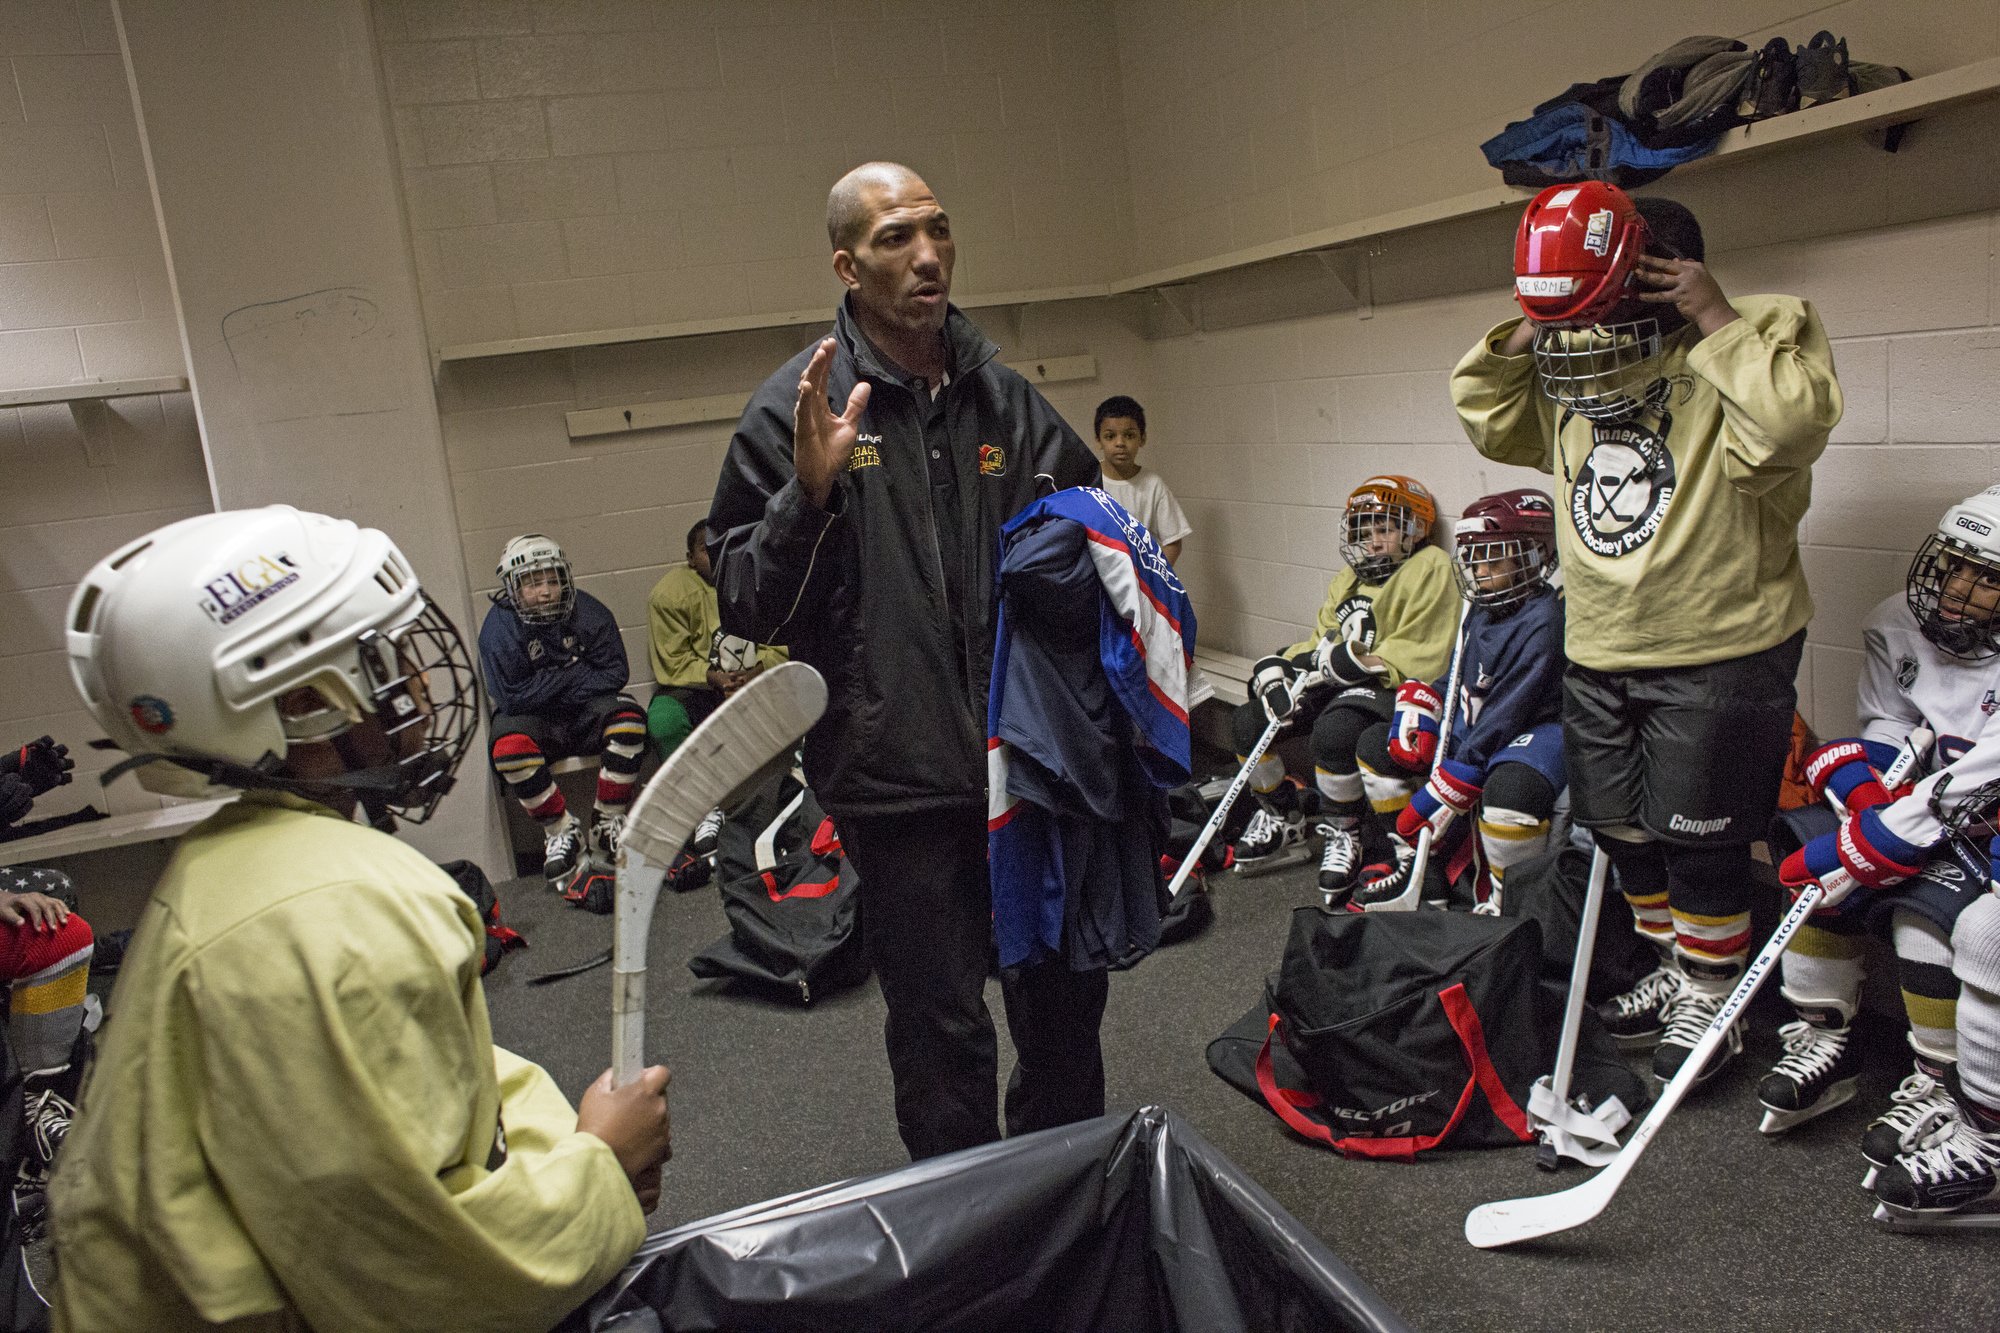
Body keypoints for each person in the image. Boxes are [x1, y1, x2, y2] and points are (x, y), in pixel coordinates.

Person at [50, 505, 672, 1333]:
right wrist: (599, 1167)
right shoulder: (342, 906)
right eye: (387, 661)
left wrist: (571, 1138)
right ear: (310, 701)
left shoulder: (227, 861)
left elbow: (431, 1085)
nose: (419, 685)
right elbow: (426, 1280)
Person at [705, 161, 1102, 1161]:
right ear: (846, 263)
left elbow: (1096, 550)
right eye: (894, 239)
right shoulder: (793, 408)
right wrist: (808, 498)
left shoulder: (1005, 405)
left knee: (1059, 1012)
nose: (926, 254)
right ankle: (965, 1241)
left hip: (1029, 773)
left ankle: (1067, 1212)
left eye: (936, 229)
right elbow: (749, 601)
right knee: (939, 1033)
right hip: (898, 779)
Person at [1451, 181, 1841, 1085]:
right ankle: (1680, 967)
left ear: (1668, 281)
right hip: (1602, 645)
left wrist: (1710, 315)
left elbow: (1791, 420)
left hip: (1717, 646)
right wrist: (1545, 314)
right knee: (1623, 828)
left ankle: (1716, 992)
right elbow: (1485, 408)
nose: (1591, 336)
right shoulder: (1581, 364)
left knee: (1701, 839)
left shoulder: (1750, 342)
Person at [1768, 488, 2000, 1167]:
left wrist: (1881, 838)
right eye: (1955, 564)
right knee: (1818, 861)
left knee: (1927, 911)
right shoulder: (1899, 621)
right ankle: (1823, 1037)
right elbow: (1894, 723)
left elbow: (1982, 775)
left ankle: (1938, 1078)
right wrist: (1865, 791)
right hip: (1924, 806)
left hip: (1983, 825)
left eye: (1986, 577)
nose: (1958, 587)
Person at [1224, 475, 1459, 885]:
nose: (1372, 541)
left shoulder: (1431, 565)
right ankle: (1283, 815)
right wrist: (1282, 666)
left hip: (1394, 687)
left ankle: (1345, 832)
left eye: (1384, 529)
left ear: (1415, 530)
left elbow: (1427, 647)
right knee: (1248, 722)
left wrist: (1361, 662)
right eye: (1364, 532)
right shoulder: (1350, 576)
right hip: (1339, 683)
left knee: (1334, 732)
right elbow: (1322, 640)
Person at [1344, 489, 1568, 911]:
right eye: (1475, 559)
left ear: (1534, 555)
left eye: (1493, 559)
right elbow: (1459, 673)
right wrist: (1424, 699)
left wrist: (1457, 774)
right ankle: (1419, 870)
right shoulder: (1482, 609)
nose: (1479, 571)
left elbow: (1511, 708)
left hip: (1532, 730)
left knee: (1510, 793)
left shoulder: (1545, 619)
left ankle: (1508, 903)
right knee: (1377, 746)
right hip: (1482, 727)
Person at [480, 532, 646, 885]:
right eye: (532, 582)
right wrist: (573, 674)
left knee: (630, 722)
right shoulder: (498, 629)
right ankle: (560, 831)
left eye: (552, 579)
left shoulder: (590, 611)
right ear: (513, 587)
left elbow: (615, 673)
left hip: (583, 713)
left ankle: (607, 823)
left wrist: (547, 685)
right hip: (534, 720)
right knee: (508, 749)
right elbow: (511, 698)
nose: (545, 591)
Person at [644, 522, 785, 862]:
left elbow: (786, 643)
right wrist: (714, 678)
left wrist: (756, 671)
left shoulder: (762, 578)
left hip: (757, 679)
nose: (716, 555)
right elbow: (673, 661)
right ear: (690, 559)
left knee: (805, 701)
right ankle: (700, 811)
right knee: (663, 719)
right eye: (705, 550)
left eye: (721, 545)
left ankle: (788, 807)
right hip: (698, 686)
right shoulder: (669, 594)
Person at [1093, 396, 1190, 566]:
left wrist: (1154, 579)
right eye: (1110, 436)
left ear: (1142, 438)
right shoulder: (1088, 481)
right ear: (1098, 440)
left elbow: (1173, 541)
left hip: (1139, 583)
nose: (1120, 443)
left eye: (1129, 435)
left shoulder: (1153, 485)